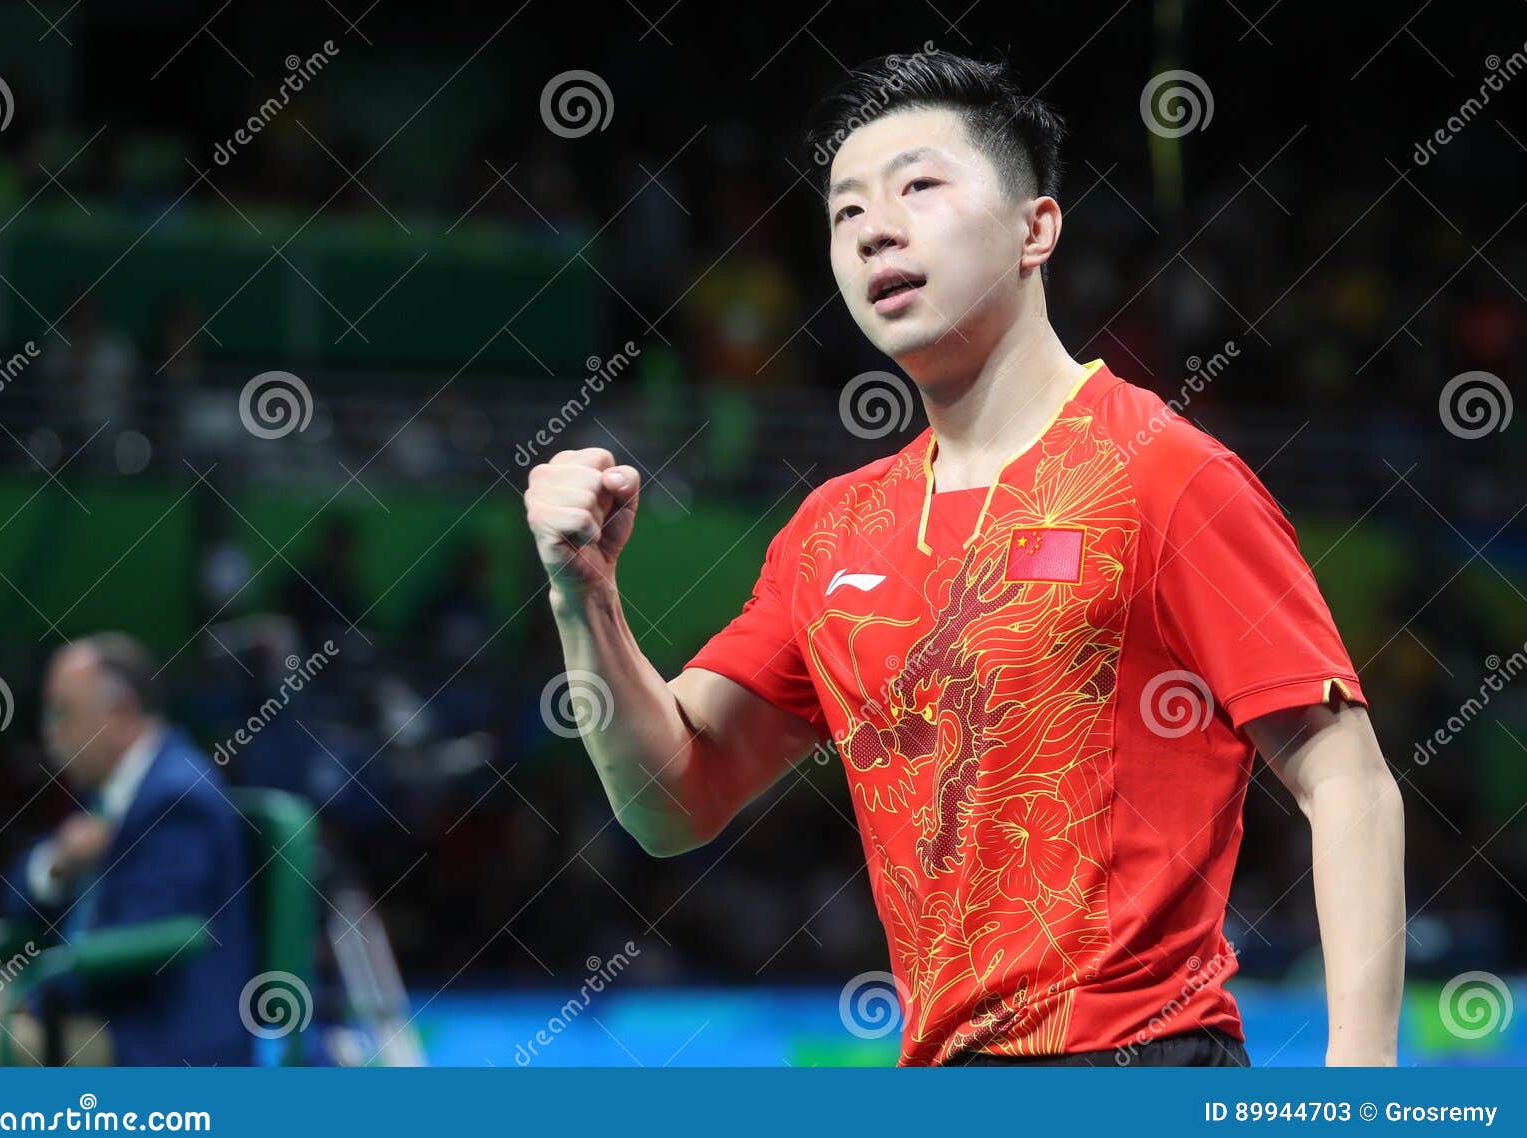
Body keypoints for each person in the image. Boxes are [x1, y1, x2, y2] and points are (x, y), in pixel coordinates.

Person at [522, 50, 1405, 1067]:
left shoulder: (1162, 471)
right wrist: (580, 590)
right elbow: (672, 799)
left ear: (1036, 227)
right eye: (845, 212)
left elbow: (1347, 782)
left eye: (919, 187)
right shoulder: (832, 529)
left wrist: (1359, 1089)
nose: (874, 229)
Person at [0, 633, 255, 1066]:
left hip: (155, 1040)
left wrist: (26, 995)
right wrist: (56, 865)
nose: (49, 732)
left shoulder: (179, 797)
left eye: (62, 713)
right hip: (98, 1015)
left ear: (121, 714)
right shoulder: (107, 791)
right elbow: (17, 904)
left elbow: (137, 949)